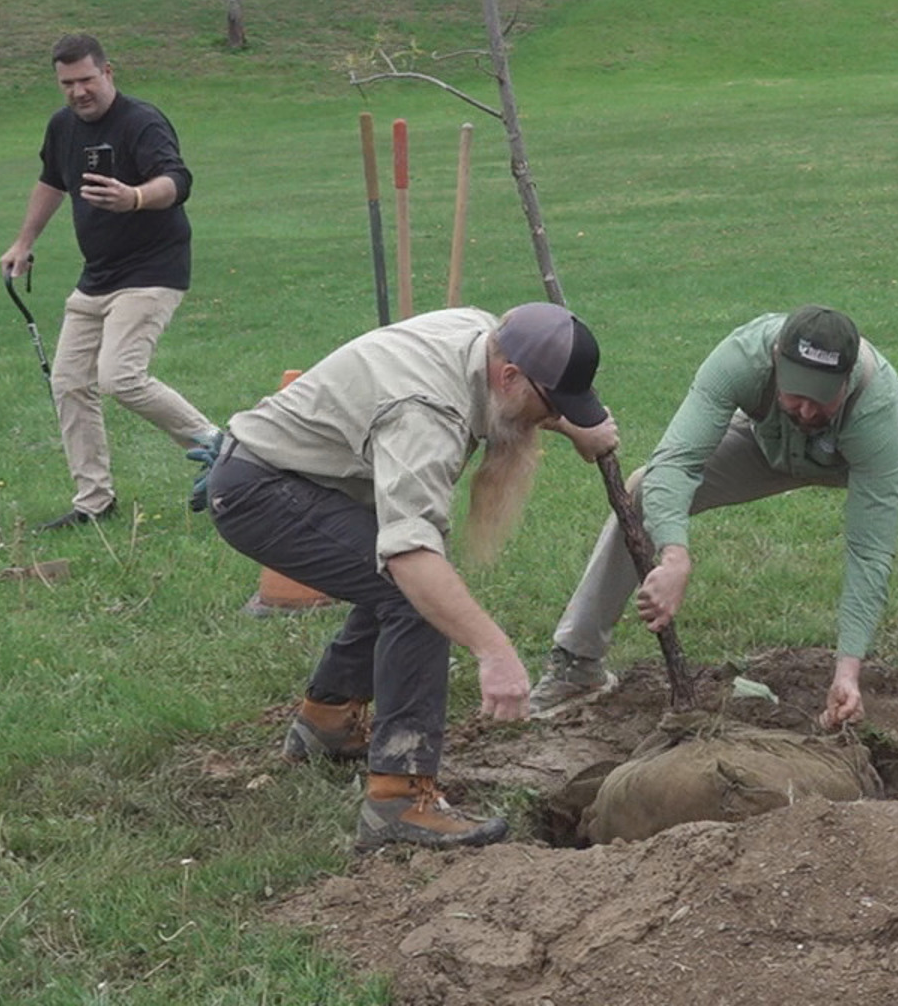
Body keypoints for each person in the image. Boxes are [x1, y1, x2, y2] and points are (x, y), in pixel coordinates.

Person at [530, 304, 898, 728]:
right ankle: (577, 662)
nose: (808, 407)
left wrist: (848, 670)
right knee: (642, 490)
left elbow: (869, 546)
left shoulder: (874, 401)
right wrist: (675, 553)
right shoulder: (740, 358)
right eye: (796, 392)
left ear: (847, 380)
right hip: (766, 446)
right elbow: (677, 463)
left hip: (871, 449)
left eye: (823, 396)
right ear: (776, 363)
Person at [203, 303, 618, 852]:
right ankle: (399, 800)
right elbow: (411, 558)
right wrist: (494, 651)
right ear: (510, 377)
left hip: (290, 473)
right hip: (263, 492)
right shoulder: (426, 416)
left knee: (400, 579)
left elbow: (525, 386)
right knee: (415, 590)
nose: (547, 419)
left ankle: (327, 721)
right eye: (549, 406)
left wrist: (574, 425)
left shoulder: (482, 331)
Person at [0, 32, 220, 531]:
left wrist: (135, 197)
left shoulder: (142, 122)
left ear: (108, 72)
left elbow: (177, 181)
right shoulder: (62, 127)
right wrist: (23, 242)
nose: (79, 91)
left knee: (119, 376)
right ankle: (94, 503)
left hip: (152, 270)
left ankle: (219, 447)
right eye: (67, 83)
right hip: (98, 275)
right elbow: (52, 180)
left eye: (87, 80)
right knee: (69, 383)